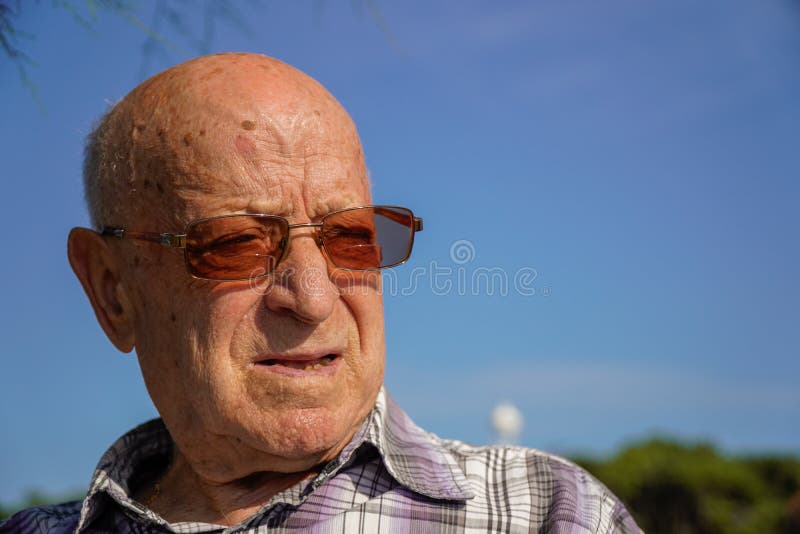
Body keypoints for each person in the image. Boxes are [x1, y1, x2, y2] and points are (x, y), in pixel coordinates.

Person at [1, 53, 641, 533]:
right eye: (237, 243)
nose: (311, 297)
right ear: (113, 290)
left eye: (351, 236)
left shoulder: (549, 515)